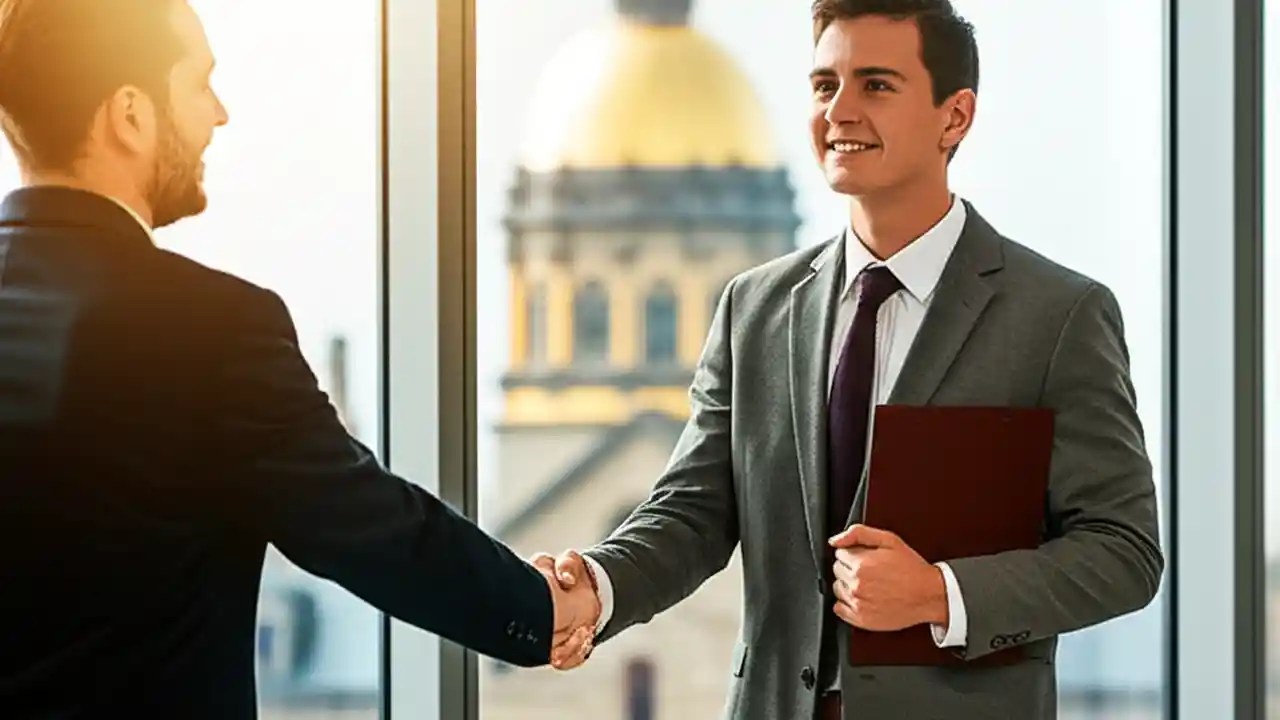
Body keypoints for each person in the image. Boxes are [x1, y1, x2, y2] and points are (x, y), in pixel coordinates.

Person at [534, 1, 1164, 718]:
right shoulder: (754, 308)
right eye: (824, 84)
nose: (841, 110)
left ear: (954, 117)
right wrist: (597, 584)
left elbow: (1124, 551)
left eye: (877, 85)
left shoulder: (1056, 316)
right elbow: (694, 514)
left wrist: (939, 593)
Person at [0, 0, 594, 717]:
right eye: (199, 84)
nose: (218, 115)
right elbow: (365, 525)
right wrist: (538, 609)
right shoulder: (208, 327)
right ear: (129, 113)